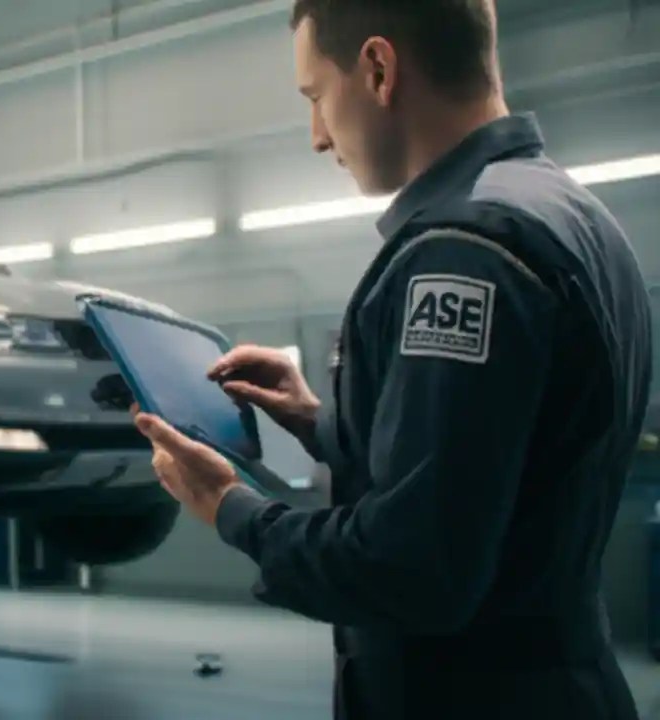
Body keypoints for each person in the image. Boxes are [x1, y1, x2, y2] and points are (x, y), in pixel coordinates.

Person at [131, 1, 651, 718]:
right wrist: (324, 423)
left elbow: (411, 570)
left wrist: (232, 510)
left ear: (378, 69)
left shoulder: (463, 251)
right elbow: (513, 461)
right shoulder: (571, 213)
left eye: (315, 96)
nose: (317, 136)